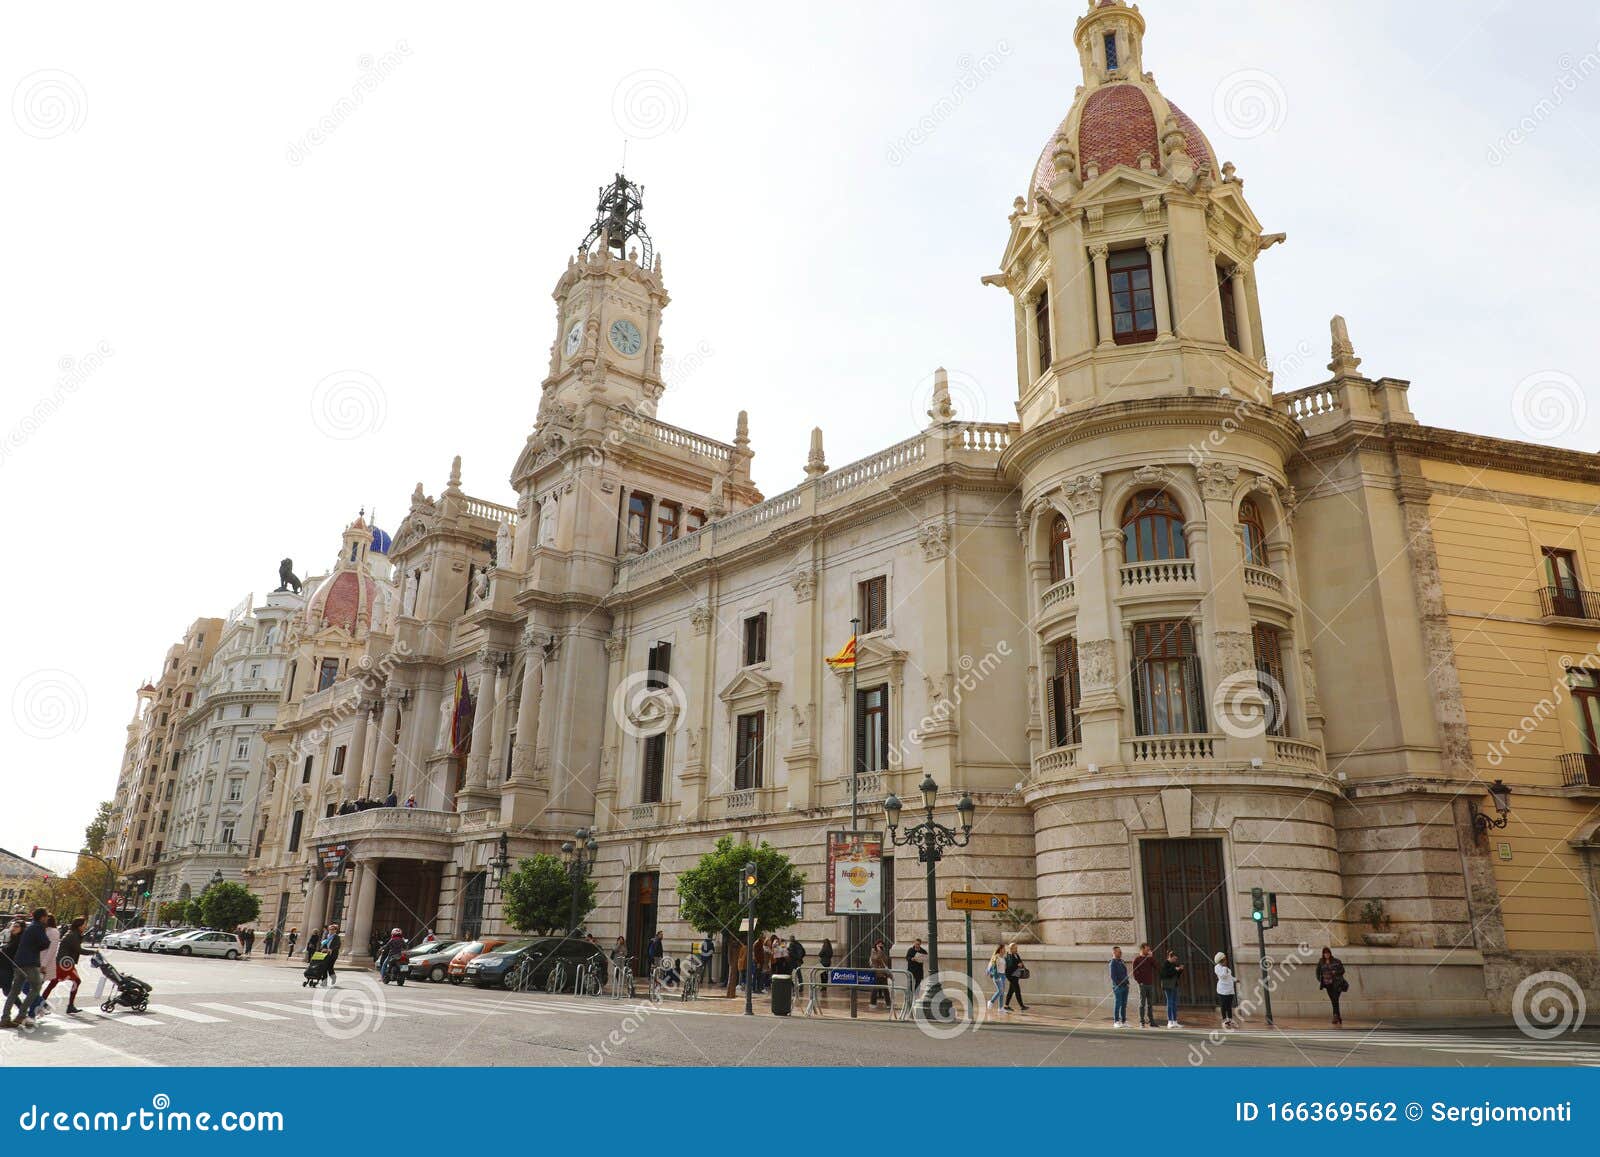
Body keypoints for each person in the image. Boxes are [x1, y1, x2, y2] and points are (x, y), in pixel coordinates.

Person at [2, 909, 51, 1029]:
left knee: (14, 991)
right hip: (30, 963)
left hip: (18, 963)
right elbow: (46, 943)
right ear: (42, 917)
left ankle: (5, 1018)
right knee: (36, 987)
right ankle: (21, 1014)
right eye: (46, 917)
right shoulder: (38, 927)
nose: (47, 919)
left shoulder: (29, 927)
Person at [42, 916, 86, 1015]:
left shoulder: (73, 934)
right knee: (75, 981)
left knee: (54, 983)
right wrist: (94, 952)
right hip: (64, 964)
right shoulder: (73, 936)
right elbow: (79, 950)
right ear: (79, 926)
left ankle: (41, 1002)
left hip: (64, 963)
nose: (85, 926)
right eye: (84, 924)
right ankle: (70, 1006)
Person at [28, 914, 61, 1019]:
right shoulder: (41, 930)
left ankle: (32, 1014)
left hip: (43, 966)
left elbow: (52, 951)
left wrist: (44, 965)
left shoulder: (54, 932)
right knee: (28, 988)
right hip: (34, 963)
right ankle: (43, 1004)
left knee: (33, 989)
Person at [1317, 946, 1347, 1026]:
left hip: (1337, 983)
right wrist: (1320, 980)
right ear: (1323, 954)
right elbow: (1317, 972)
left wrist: (1335, 972)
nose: (1326, 955)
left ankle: (1335, 1016)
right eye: (1325, 953)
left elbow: (1342, 970)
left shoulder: (1336, 961)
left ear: (1330, 953)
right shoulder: (1321, 962)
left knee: (1335, 998)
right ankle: (1338, 1016)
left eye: (1328, 953)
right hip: (1327, 984)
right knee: (1333, 1000)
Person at [1131, 942, 1158, 1028]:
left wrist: (1151, 957)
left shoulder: (1150, 959)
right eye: (1147, 949)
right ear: (1142, 949)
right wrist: (1140, 982)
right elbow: (1135, 973)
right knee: (1142, 1003)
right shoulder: (1137, 959)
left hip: (1150, 984)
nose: (1149, 950)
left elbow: (1157, 967)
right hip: (1142, 984)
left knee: (1150, 1003)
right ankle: (1141, 1021)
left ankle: (1151, 1021)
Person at [1159, 949, 1185, 1028]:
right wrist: (1175, 969)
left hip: (1174, 985)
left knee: (1174, 1003)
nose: (1175, 960)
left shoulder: (1174, 964)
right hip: (1168, 986)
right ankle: (1169, 1021)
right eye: (1174, 958)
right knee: (1169, 1002)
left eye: (1176, 959)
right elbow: (1164, 974)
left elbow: (1176, 975)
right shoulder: (1165, 964)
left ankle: (1175, 1021)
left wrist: (1180, 970)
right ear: (1170, 957)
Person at [1003, 942, 1028, 1012]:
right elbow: (1010, 967)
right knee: (1017, 990)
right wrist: (1018, 965)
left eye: (1016, 948)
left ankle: (1006, 1005)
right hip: (1011, 975)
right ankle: (1022, 1006)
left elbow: (1020, 962)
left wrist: (1021, 965)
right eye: (1015, 948)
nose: (1016, 949)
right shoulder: (1009, 955)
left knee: (1011, 990)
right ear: (1011, 949)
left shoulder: (1016, 954)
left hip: (1016, 974)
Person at [1214, 951, 1236, 1028]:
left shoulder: (1226, 968)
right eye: (1225, 959)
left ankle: (1230, 1019)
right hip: (1222, 990)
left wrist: (1235, 980)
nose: (1226, 960)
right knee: (1223, 1005)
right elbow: (1223, 976)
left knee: (1229, 1005)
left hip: (1230, 990)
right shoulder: (1217, 968)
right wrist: (1224, 967)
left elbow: (1229, 976)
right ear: (1221, 960)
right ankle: (1224, 1020)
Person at [1109, 945, 1130, 1027]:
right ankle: (1116, 1021)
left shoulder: (1122, 961)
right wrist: (1119, 983)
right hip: (1118, 986)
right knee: (1118, 1003)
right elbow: (1113, 976)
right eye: (1119, 951)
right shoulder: (1112, 962)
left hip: (1125, 986)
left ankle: (1124, 1021)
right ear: (1114, 952)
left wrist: (1127, 982)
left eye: (1121, 951)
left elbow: (1125, 973)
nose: (1121, 953)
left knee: (1124, 1004)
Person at [868, 939, 891, 1008]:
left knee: (885, 989)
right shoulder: (873, 951)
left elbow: (885, 961)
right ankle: (873, 1003)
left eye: (882, 945)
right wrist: (879, 951)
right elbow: (876, 958)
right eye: (879, 944)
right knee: (875, 989)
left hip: (883, 972)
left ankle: (888, 1004)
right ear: (876, 945)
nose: (881, 946)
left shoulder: (882, 952)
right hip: (877, 972)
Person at [985, 945, 1006, 1010]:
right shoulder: (996, 957)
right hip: (997, 975)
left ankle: (1000, 1008)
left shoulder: (1003, 957)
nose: (1005, 950)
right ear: (1000, 949)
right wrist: (996, 976)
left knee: (1002, 992)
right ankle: (991, 1001)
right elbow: (993, 967)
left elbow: (1003, 966)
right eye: (1004, 948)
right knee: (1000, 990)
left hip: (1003, 975)